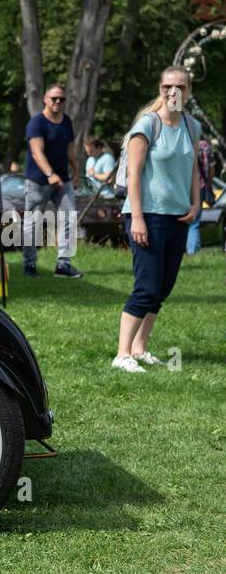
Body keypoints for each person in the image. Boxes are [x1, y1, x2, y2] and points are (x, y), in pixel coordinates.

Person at [113, 65, 200, 374]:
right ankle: (122, 353)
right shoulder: (147, 125)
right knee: (147, 287)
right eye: (167, 87)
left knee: (162, 288)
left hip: (178, 216)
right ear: (160, 89)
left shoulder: (192, 126)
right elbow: (133, 175)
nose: (172, 92)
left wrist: (195, 202)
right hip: (147, 214)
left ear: (188, 92)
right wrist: (137, 218)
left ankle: (140, 348)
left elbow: (192, 168)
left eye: (179, 87)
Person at [23, 84, 83, 278]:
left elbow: (69, 150)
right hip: (39, 181)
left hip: (62, 181)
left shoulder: (66, 121)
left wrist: (76, 171)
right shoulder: (36, 123)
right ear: (45, 99)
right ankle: (29, 265)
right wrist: (50, 174)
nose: (58, 102)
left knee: (68, 218)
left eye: (61, 99)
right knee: (32, 223)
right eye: (54, 98)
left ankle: (63, 265)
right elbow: (36, 152)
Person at [185, 135, 213, 255]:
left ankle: (183, 251)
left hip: (181, 187)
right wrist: (208, 185)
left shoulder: (183, 141)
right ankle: (192, 252)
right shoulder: (205, 146)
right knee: (194, 222)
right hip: (199, 186)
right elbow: (210, 170)